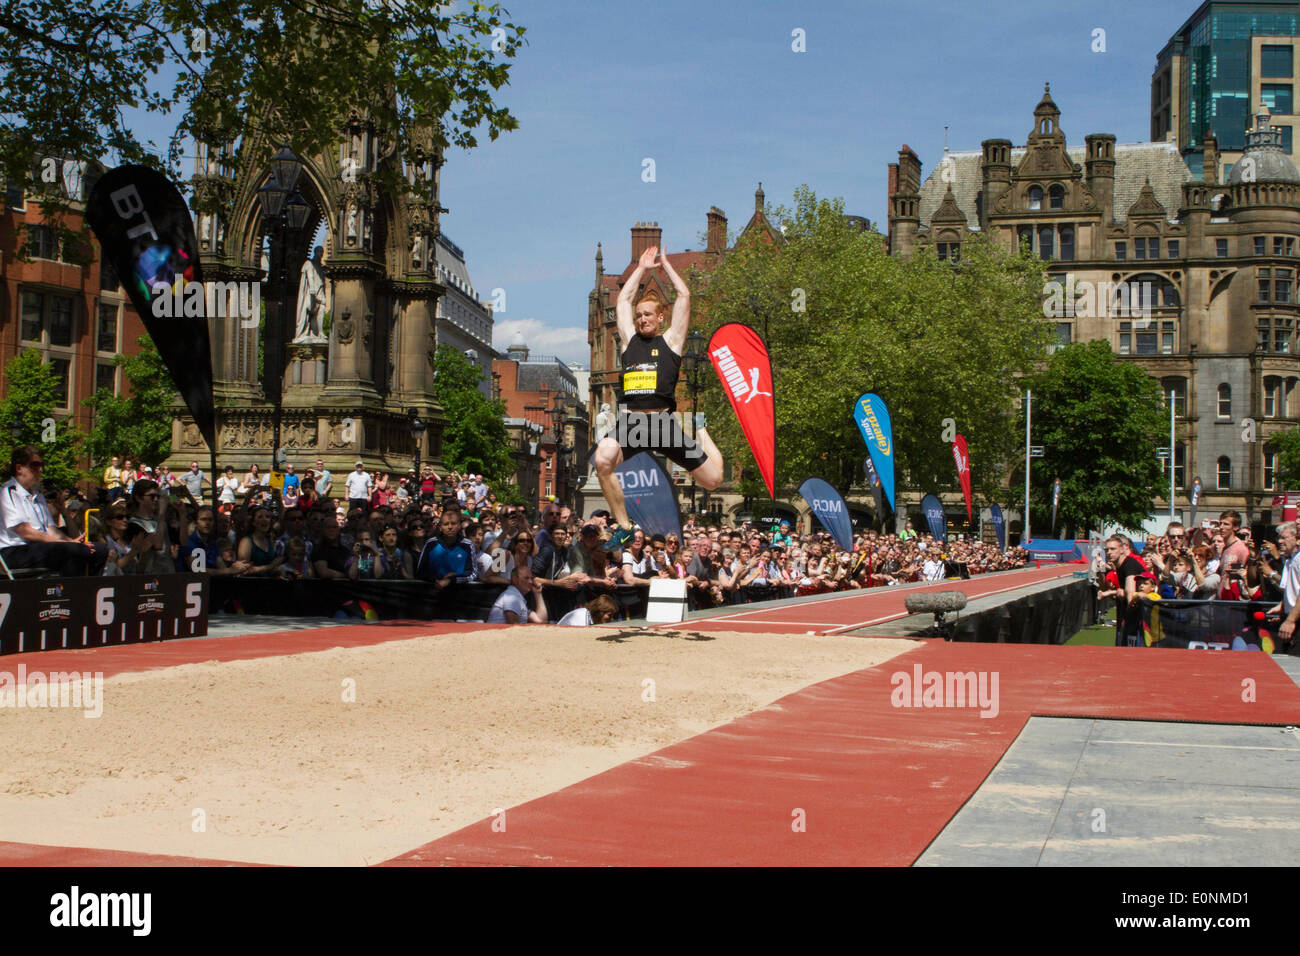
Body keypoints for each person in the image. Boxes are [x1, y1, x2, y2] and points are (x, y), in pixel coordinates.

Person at [591, 245, 724, 549]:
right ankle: (624, 526)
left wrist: (666, 266)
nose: (641, 320)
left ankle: (701, 430)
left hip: (664, 425)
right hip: (633, 424)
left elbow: (685, 297)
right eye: (639, 316)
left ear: (661, 317)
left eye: (648, 315)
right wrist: (642, 267)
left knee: (713, 480)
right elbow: (623, 299)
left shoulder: (672, 342)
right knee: (603, 458)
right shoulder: (629, 342)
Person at [0, 446, 108, 576]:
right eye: (35, 465)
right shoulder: (7, 492)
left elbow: (51, 529)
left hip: (39, 548)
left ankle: (89, 590)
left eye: (42, 465)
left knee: (99, 549)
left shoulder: (38, 496)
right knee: (73, 551)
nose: (40, 470)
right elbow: (25, 531)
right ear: (19, 468)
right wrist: (68, 544)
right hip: (14, 551)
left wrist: (72, 542)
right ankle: (71, 592)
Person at [416, 505, 475, 588]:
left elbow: (472, 574)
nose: (450, 527)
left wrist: (452, 580)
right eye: (446, 524)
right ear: (440, 527)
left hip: (461, 595)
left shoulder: (468, 545)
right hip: (434, 594)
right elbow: (421, 572)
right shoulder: (431, 544)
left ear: (459, 526)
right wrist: (436, 580)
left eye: (453, 523)